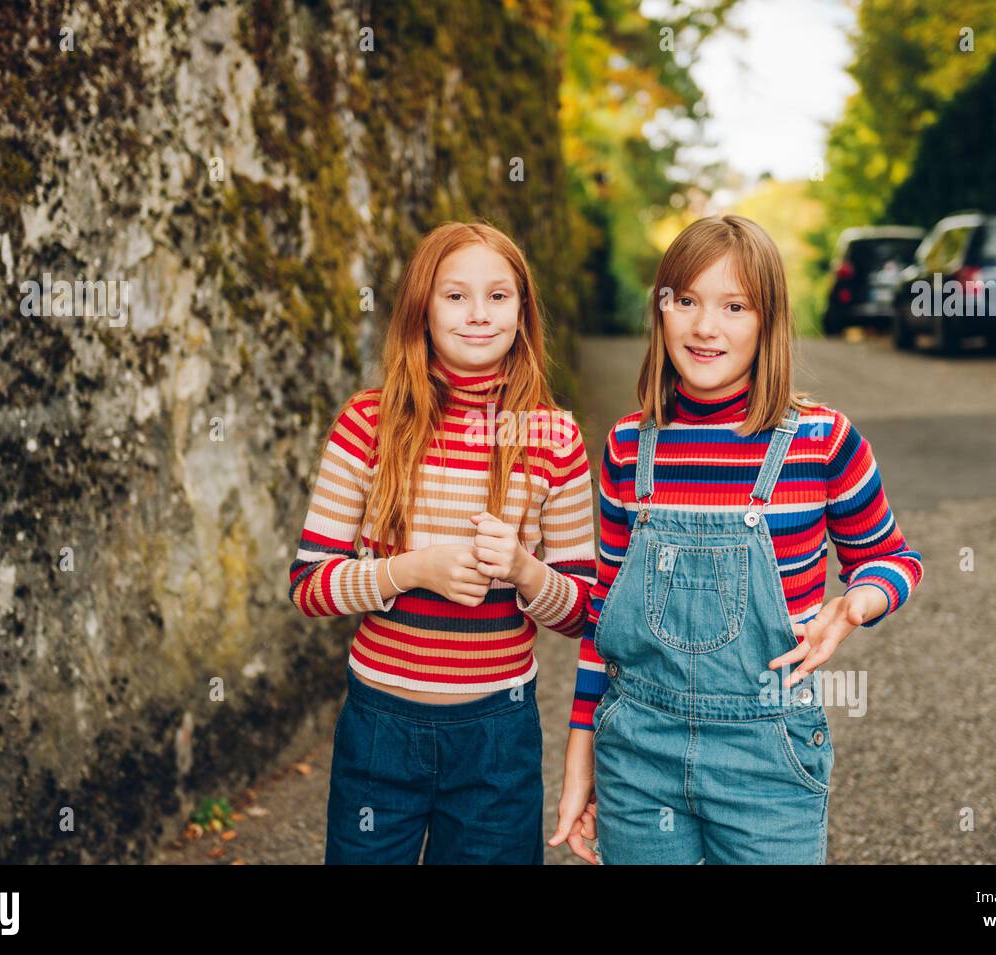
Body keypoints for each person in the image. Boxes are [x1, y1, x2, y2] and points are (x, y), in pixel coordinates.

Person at [551, 214, 924, 864]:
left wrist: (858, 602)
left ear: (767, 321)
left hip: (768, 754)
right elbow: (601, 623)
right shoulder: (625, 447)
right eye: (686, 301)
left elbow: (892, 558)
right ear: (661, 312)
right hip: (638, 750)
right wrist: (581, 757)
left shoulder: (821, 441)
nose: (705, 326)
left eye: (733, 306)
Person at [288, 221, 596, 864]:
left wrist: (522, 570)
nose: (479, 315)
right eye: (455, 296)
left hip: (496, 737)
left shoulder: (553, 439)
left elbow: (583, 611)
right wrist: (411, 570)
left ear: (523, 311)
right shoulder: (367, 425)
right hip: (380, 727)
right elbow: (309, 586)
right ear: (421, 308)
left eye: (499, 296)